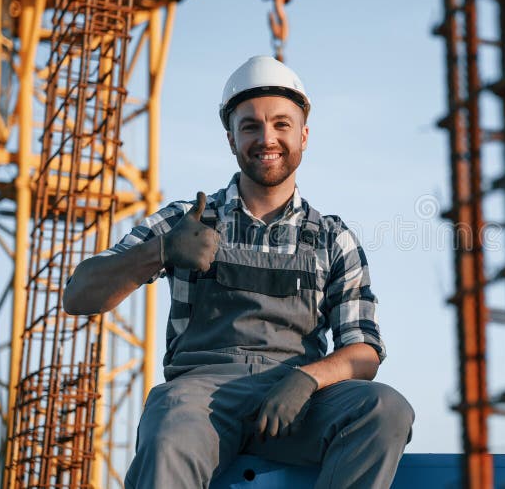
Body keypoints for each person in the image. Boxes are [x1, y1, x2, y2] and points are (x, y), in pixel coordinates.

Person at [63, 55, 415, 488]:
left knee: (385, 408)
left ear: (304, 135)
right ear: (231, 139)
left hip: (297, 403)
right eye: (250, 126)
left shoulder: (332, 238)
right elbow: (79, 294)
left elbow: (364, 351)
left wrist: (307, 379)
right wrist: (161, 250)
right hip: (201, 401)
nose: (267, 138)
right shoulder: (186, 220)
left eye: (282, 124)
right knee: (170, 426)